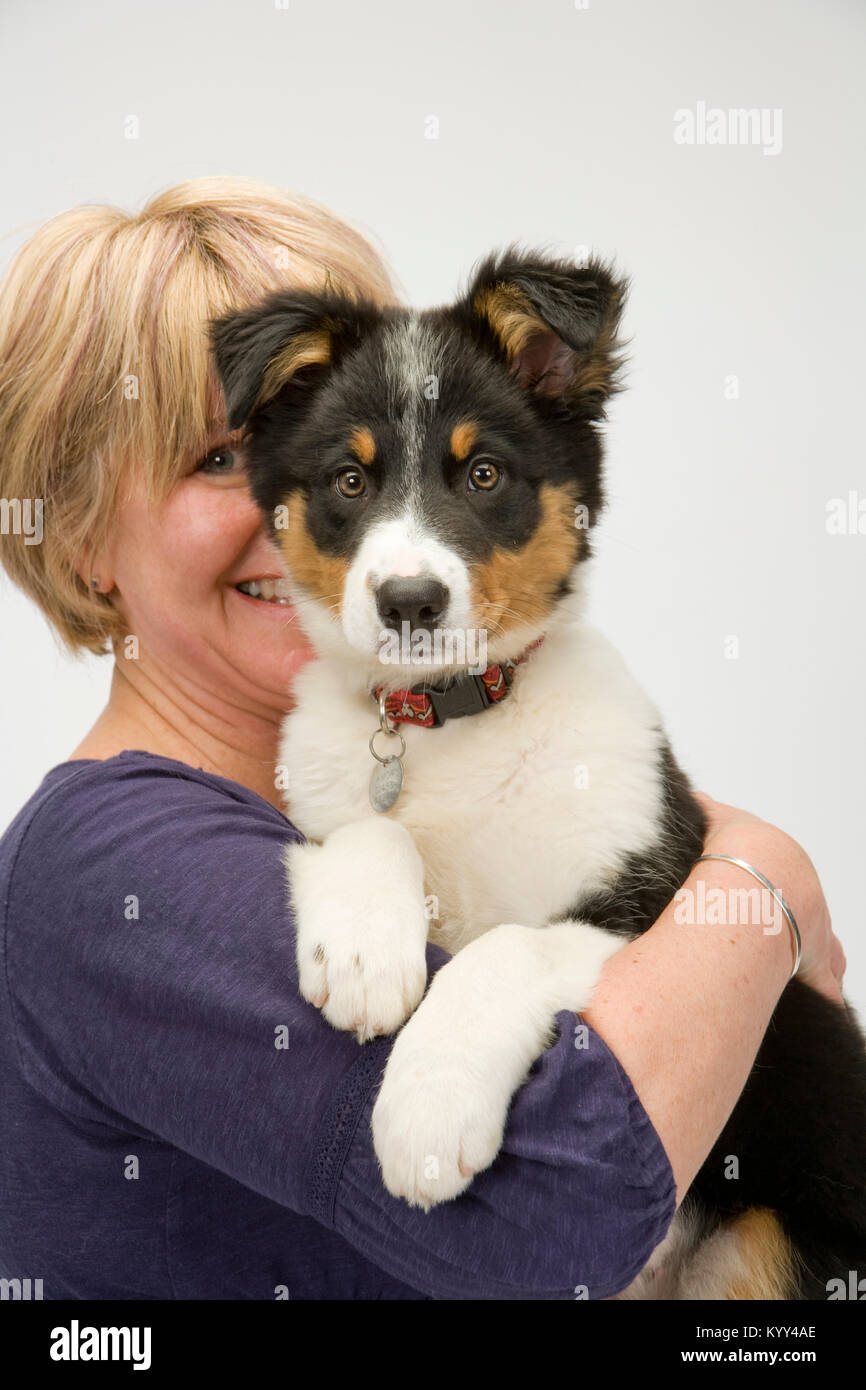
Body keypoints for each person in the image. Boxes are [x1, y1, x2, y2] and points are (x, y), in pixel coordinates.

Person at [0, 177, 845, 1300]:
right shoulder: (113, 868)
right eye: (221, 457)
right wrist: (764, 885)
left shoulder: (335, 784)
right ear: (75, 540)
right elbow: (556, 1208)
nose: (295, 506)